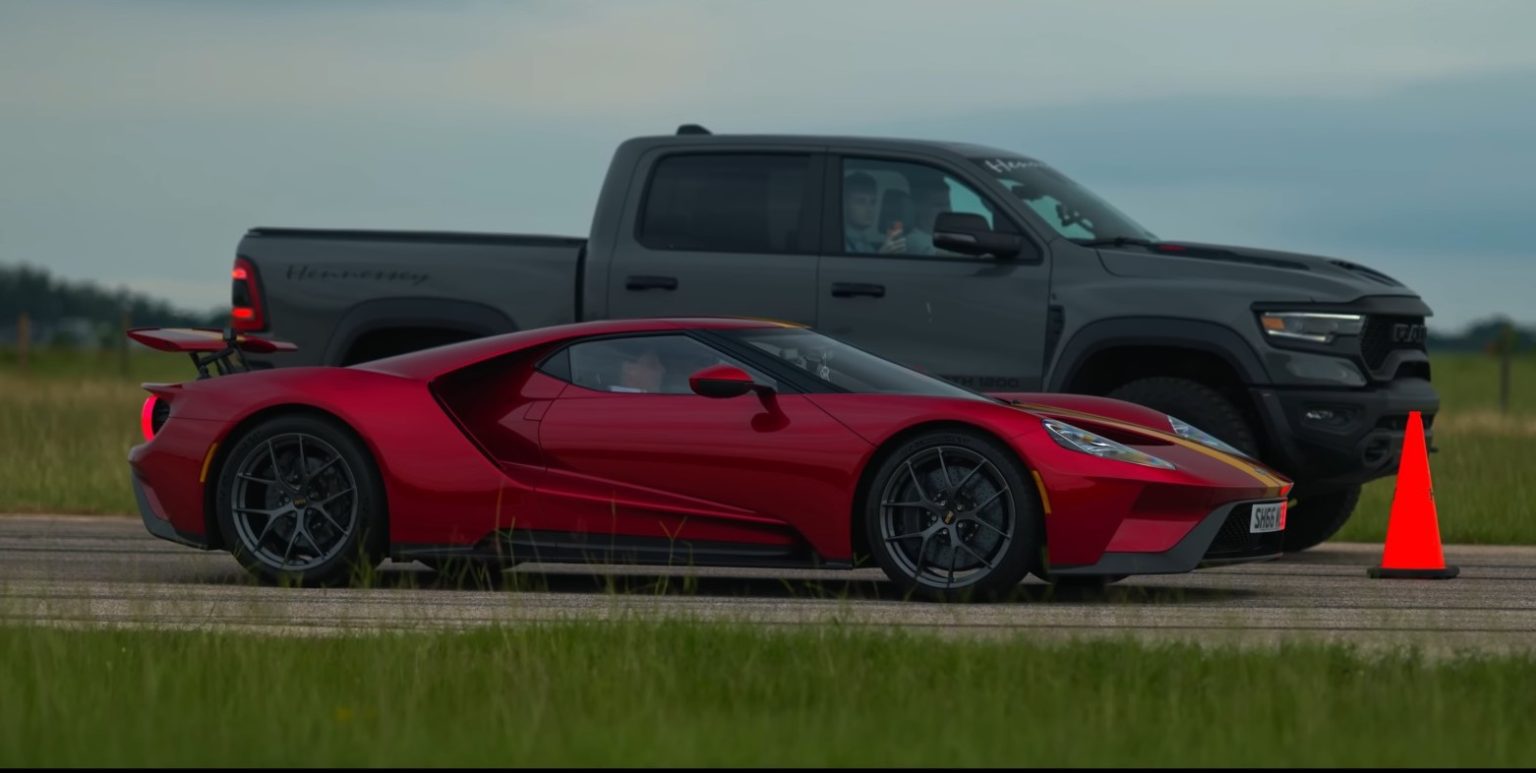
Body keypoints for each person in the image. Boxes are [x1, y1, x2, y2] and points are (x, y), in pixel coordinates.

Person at [843, 172, 905, 254]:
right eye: (860, 202)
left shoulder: (863, 242)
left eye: (873, 202)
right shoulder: (839, 244)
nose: (869, 209)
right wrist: (883, 255)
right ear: (845, 205)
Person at [902, 177, 952, 256]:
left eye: (947, 204)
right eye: (938, 205)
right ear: (919, 208)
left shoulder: (944, 237)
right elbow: (945, 257)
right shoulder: (914, 240)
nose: (945, 210)